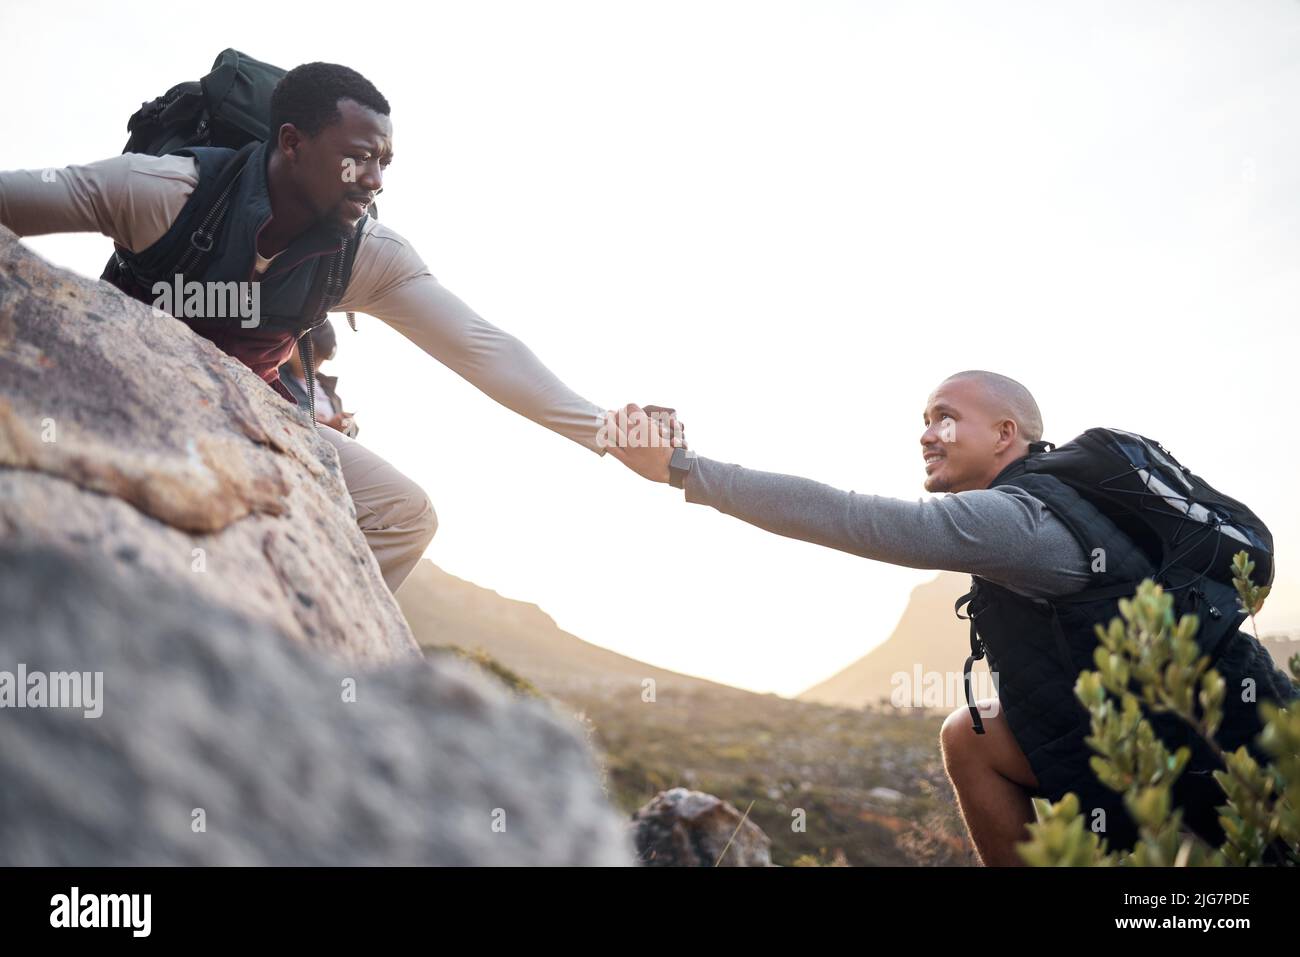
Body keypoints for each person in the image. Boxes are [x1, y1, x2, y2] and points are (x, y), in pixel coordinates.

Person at [0, 61, 663, 593]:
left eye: (385, 163)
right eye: (358, 158)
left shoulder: (367, 255)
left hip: (253, 415)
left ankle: (295, 663)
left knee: (404, 512)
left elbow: (485, 350)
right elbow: (19, 197)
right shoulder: (168, 193)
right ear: (292, 142)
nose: (374, 180)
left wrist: (605, 430)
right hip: (124, 389)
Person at [604, 370, 1297, 865]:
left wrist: (680, 467)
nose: (927, 434)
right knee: (970, 736)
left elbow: (854, 518)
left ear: (1004, 433)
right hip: (1178, 722)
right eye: (924, 420)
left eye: (945, 417)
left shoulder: (1018, 517)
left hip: (1233, 749)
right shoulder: (1057, 500)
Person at [280, 319, 357, 437]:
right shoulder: (276, 377)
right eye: (307, 349)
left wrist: (350, 428)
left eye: (321, 355)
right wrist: (327, 425)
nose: (313, 360)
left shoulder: (332, 395)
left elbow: (348, 435)